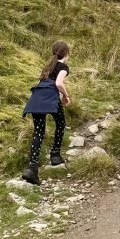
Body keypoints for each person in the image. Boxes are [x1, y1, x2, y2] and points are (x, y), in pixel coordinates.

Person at [21, 41, 71, 185]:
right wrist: (66, 96)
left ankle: (32, 168)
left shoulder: (47, 67)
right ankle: (55, 155)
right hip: (51, 99)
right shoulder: (63, 67)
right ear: (66, 54)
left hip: (37, 98)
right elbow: (58, 84)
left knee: (38, 131)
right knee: (60, 124)